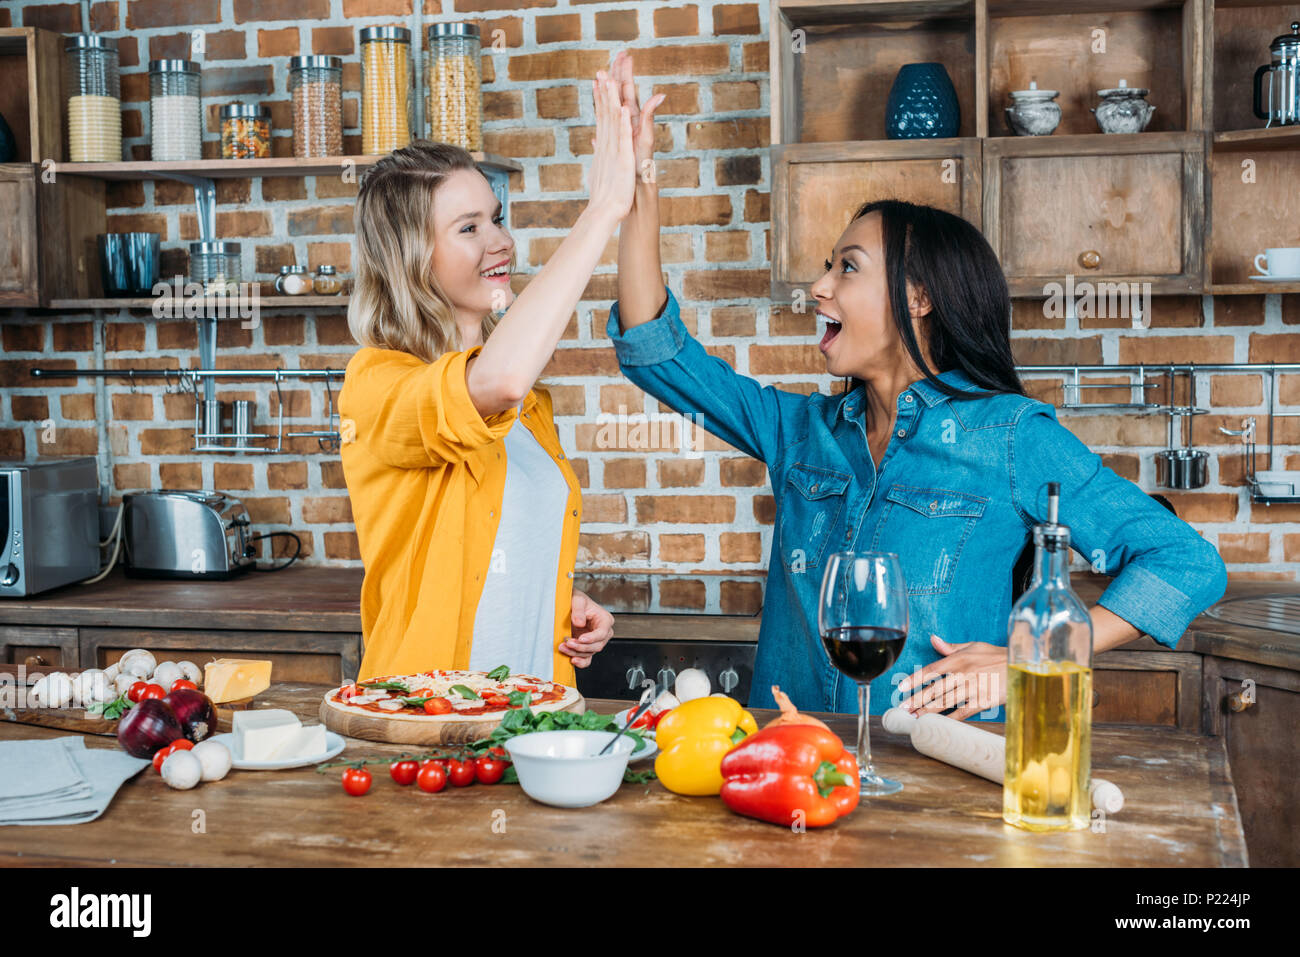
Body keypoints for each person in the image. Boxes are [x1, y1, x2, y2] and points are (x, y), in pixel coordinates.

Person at [602, 54, 1228, 719]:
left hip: (937, 784)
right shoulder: (799, 432)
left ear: (921, 296)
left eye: (848, 267)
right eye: (826, 267)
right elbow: (656, 352)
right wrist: (637, 183)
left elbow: (1186, 560)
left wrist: (1036, 654)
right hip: (796, 770)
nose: (819, 287)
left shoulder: (1010, 436)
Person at [339, 69, 638, 685]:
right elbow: (493, 382)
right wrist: (603, 207)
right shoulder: (378, 383)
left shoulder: (529, 408)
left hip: (528, 722)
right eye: (468, 227)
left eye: (496, 218)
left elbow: (494, 556)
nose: (500, 241)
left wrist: (560, 610)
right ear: (411, 257)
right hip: (427, 718)